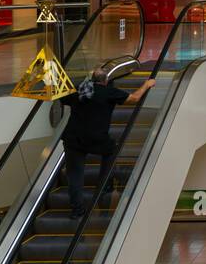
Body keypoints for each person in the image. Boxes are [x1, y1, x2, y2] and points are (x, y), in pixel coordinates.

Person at [58, 66, 155, 217]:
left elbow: (62, 99)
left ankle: (77, 211)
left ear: (92, 79)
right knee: (111, 151)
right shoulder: (108, 92)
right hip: (96, 138)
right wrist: (147, 84)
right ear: (106, 80)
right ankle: (105, 184)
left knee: (75, 176)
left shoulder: (80, 90)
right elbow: (135, 98)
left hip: (73, 138)